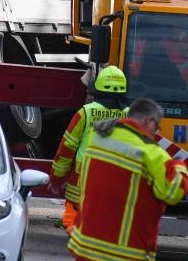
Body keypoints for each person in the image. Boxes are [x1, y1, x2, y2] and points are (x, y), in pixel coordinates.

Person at [68, 98, 188, 261]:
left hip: (89, 238)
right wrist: (179, 167)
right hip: (127, 247)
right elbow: (172, 192)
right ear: (150, 121)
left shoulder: (98, 137)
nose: (156, 133)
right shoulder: (151, 153)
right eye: (157, 128)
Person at [49, 65, 130, 235]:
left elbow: (66, 148)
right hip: (118, 182)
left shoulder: (85, 112)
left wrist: (57, 178)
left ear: (97, 89)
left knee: (73, 220)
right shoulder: (130, 115)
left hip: (82, 182)